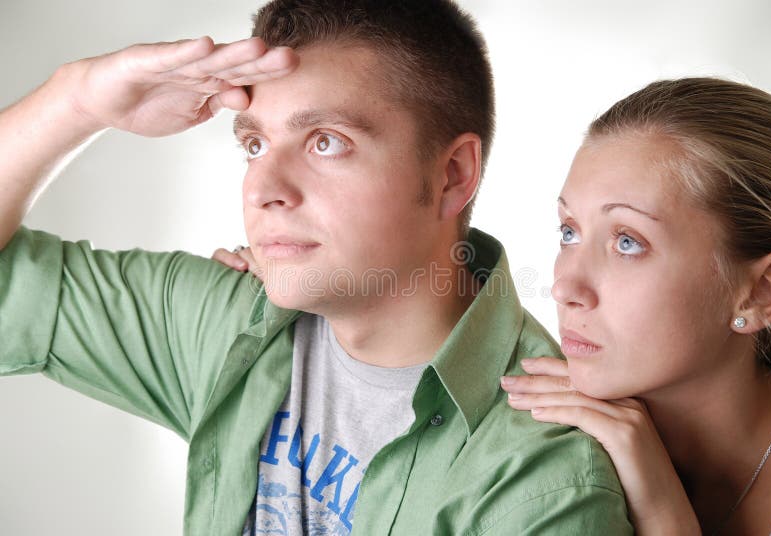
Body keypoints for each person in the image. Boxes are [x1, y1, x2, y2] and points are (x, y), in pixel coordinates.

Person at [0, 1, 632, 534]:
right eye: (254, 144)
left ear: (451, 175)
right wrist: (75, 98)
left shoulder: (541, 477)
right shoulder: (227, 321)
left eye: (325, 141)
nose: (263, 188)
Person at [501, 77, 771, 535]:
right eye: (569, 232)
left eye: (627, 242)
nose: (564, 288)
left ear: (761, 290)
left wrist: (664, 515)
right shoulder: (549, 459)